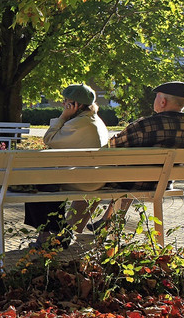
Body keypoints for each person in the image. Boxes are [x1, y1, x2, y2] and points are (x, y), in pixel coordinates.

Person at [91, 81, 184, 231]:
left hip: (133, 181)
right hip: (164, 182)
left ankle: (73, 228)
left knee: (95, 178)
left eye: (156, 97)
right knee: (136, 175)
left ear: (163, 101)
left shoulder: (147, 125)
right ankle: (106, 222)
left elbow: (115, 144)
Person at [24, 83, 110, 246]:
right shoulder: (97, 121)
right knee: (48, 179)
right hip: (97, 179)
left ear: (75, 105)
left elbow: (49, 139)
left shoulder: (78, 124)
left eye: (66, 102)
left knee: (38, 181)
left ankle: (49, 235)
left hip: (84, 181)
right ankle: (59, 231)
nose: (63, 104)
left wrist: (63, 117)